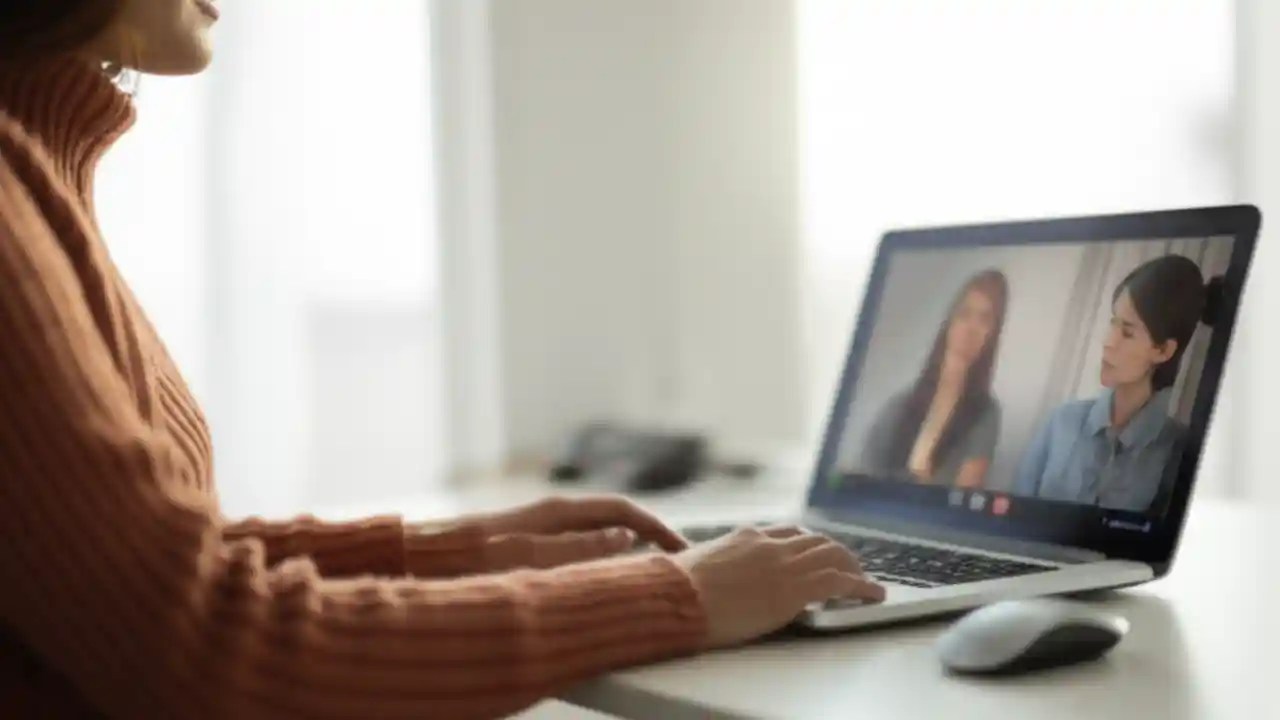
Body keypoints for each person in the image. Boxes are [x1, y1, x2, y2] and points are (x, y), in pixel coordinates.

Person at [0, 3, 885, 718]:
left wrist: (458, 553)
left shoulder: (36, 168)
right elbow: (207, 646)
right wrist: (678, 596)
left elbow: (113, 585)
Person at [1012, 255, 1214, 514]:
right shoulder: (1062, 421)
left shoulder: (1177, 452)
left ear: (1163, 350)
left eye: (1127, 332)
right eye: (1113, 323)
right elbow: (1013, 515)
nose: (1108, 342)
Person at [860, 269, 1009, 488]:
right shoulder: (901, 403)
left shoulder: (986, 414)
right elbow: (862, 476)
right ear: (950, 322)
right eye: (964, 314)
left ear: (992, 336)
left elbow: (963, 495)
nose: (971, 328)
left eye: (984, 320)